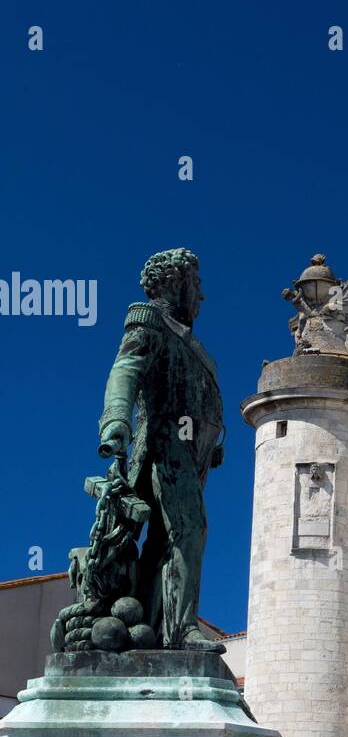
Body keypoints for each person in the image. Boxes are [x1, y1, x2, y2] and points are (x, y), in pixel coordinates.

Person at [97, 249, 225, 651]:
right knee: (189, 530)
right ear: (176, 282)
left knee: (163, 543)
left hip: (191, 455)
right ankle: (183, 631)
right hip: (163, 447)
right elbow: (125, 370)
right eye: (197, 285)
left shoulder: (192, 343)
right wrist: (116, 419)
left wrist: (210, 444)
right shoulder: (150, 321)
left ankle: (157, 630)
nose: (201, 296)